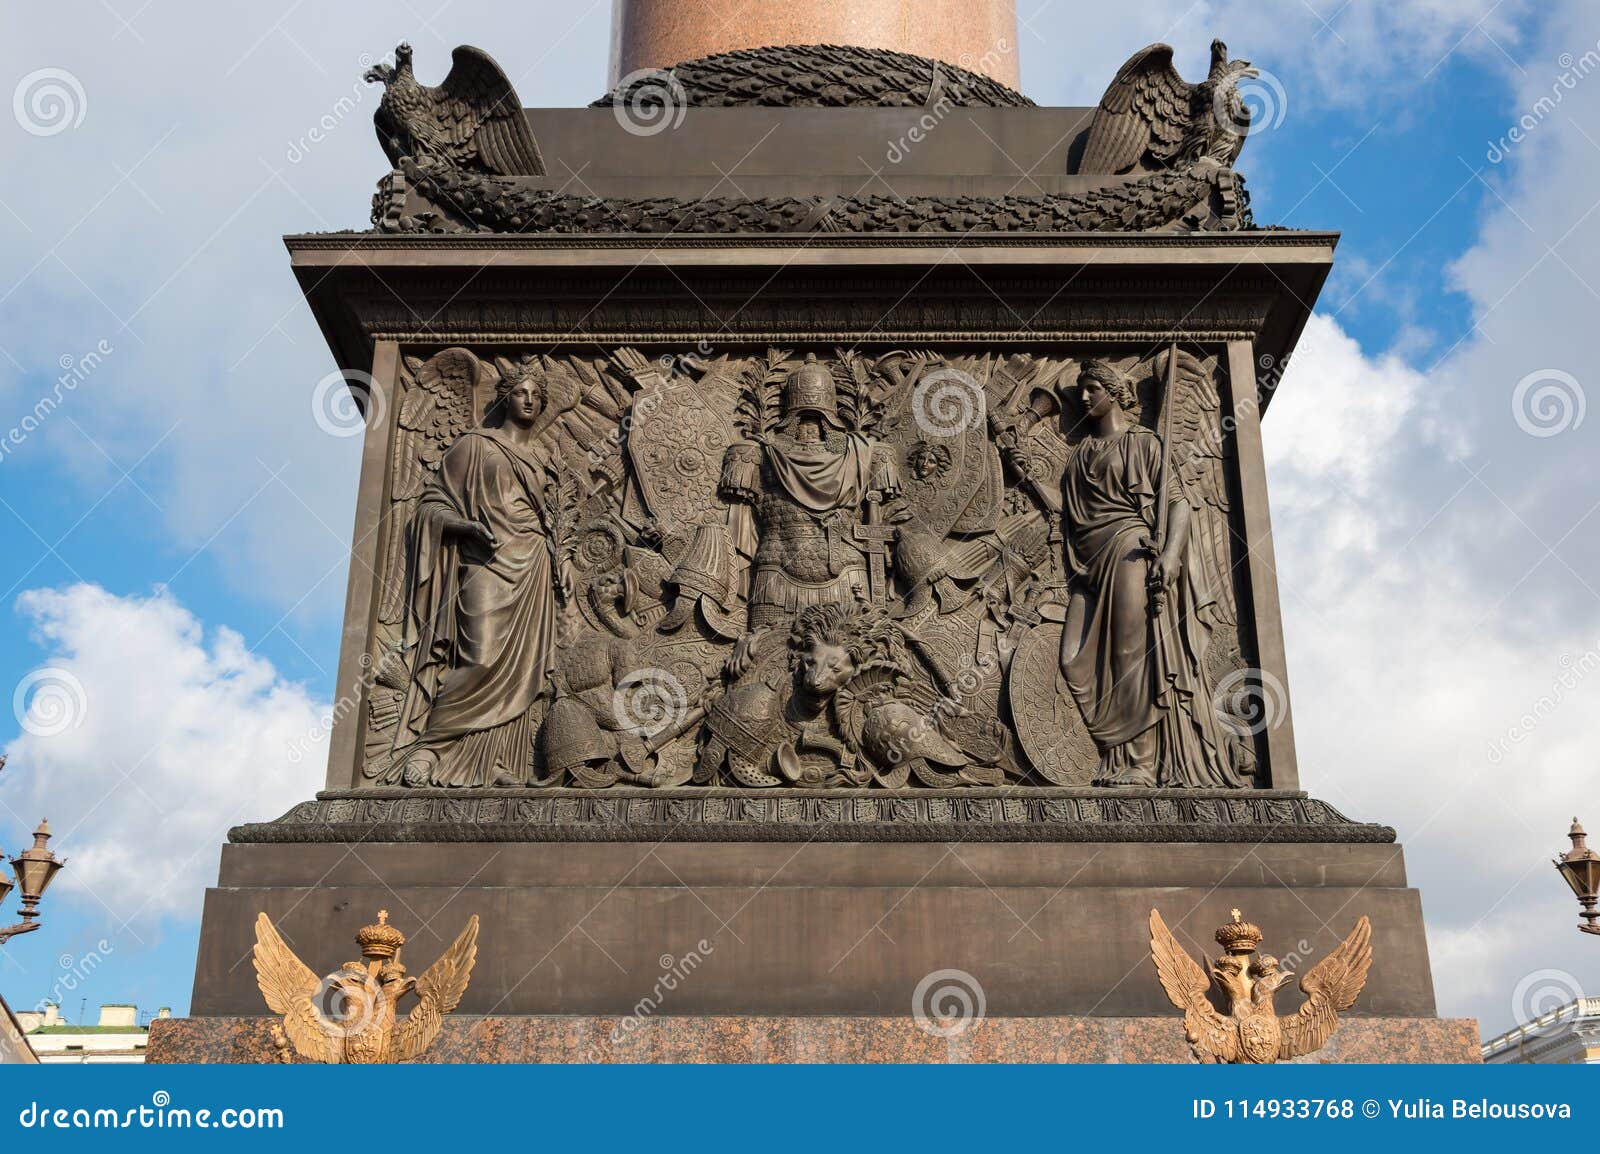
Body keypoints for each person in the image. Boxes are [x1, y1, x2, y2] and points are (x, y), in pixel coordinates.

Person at [1017, 358, 1241, 788]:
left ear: (1116, 393)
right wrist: (1025, 475)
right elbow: (1067, 513)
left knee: (1129, 653)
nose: (1083, 398)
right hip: (1088, 565)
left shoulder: (1144, 443)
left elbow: (1177, 504)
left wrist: (1171, 555)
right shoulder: (1081, 454)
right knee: (1071, 658)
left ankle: (1141, 762)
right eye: (1081, 390)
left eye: (1092, 389)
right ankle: (1114, 755)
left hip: (1129, 551)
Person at [380, 365, 572, 787]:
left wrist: (562, 562)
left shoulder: (542, 460)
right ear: (504, 397)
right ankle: (430, 746)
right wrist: (465, 527)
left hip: (533, 565)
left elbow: (552, 520)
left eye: (536, 395)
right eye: (520, 392)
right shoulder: (474, 446)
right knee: (481, 658)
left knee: (526, 670)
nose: (528, 400)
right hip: (485, 563)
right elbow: (430, 505)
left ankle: (497, 763)